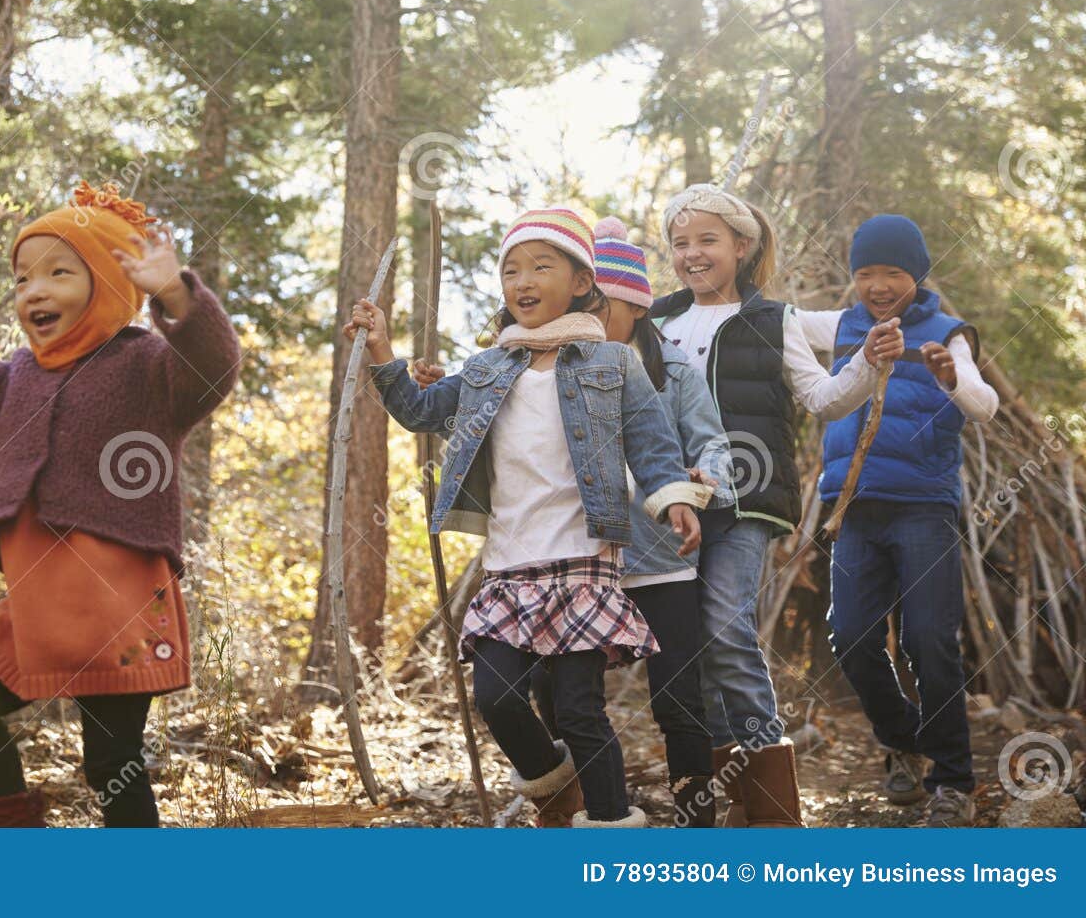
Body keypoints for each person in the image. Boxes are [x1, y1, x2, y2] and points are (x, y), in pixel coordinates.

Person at [0, 181, 239, 826]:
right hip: (38, 594)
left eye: (59, 274)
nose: (34, 291)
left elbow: (213, 366)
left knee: (110, 761)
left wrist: (174, 293)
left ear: (105, 280)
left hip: (117, 600)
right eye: (21, 280)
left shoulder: (148, 365)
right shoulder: (20, 373)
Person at [348, 206, 711, 828]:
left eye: (541, 265)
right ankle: (556, 786)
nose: (522, 279)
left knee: (579, 709)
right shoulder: (487, 369)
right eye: (510, 269)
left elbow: (652, 443)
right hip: (509, 568)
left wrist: (674, 496)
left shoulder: (612, 364)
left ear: (579, 283)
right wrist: (384, 349)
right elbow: (420, 411)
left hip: (581, 564)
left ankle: (608, 827)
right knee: (498, 698)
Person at [651, 183, 904, 825]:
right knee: (687, 646)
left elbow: (822, 398)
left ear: (743, 246)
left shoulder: (775, 321)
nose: (692, 253)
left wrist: (868, 365)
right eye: (681, 243)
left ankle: (771, 807)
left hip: (746, 498)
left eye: (707, 240)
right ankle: (718, 797)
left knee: (724, 630)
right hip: (673, 499)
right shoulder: (656, 321)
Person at [807, 214, 997, 827]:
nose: (878, 285)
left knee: (929, 641)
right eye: (866, 273)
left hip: (923, 507)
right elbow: (767, 319)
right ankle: (904, 744)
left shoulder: (948, 332)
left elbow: (984, 405)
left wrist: (948, 378)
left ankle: (953, 782)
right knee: (853, 636)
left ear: (917, 274)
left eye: (893, 272)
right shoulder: (839, 327)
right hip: (854, 508)